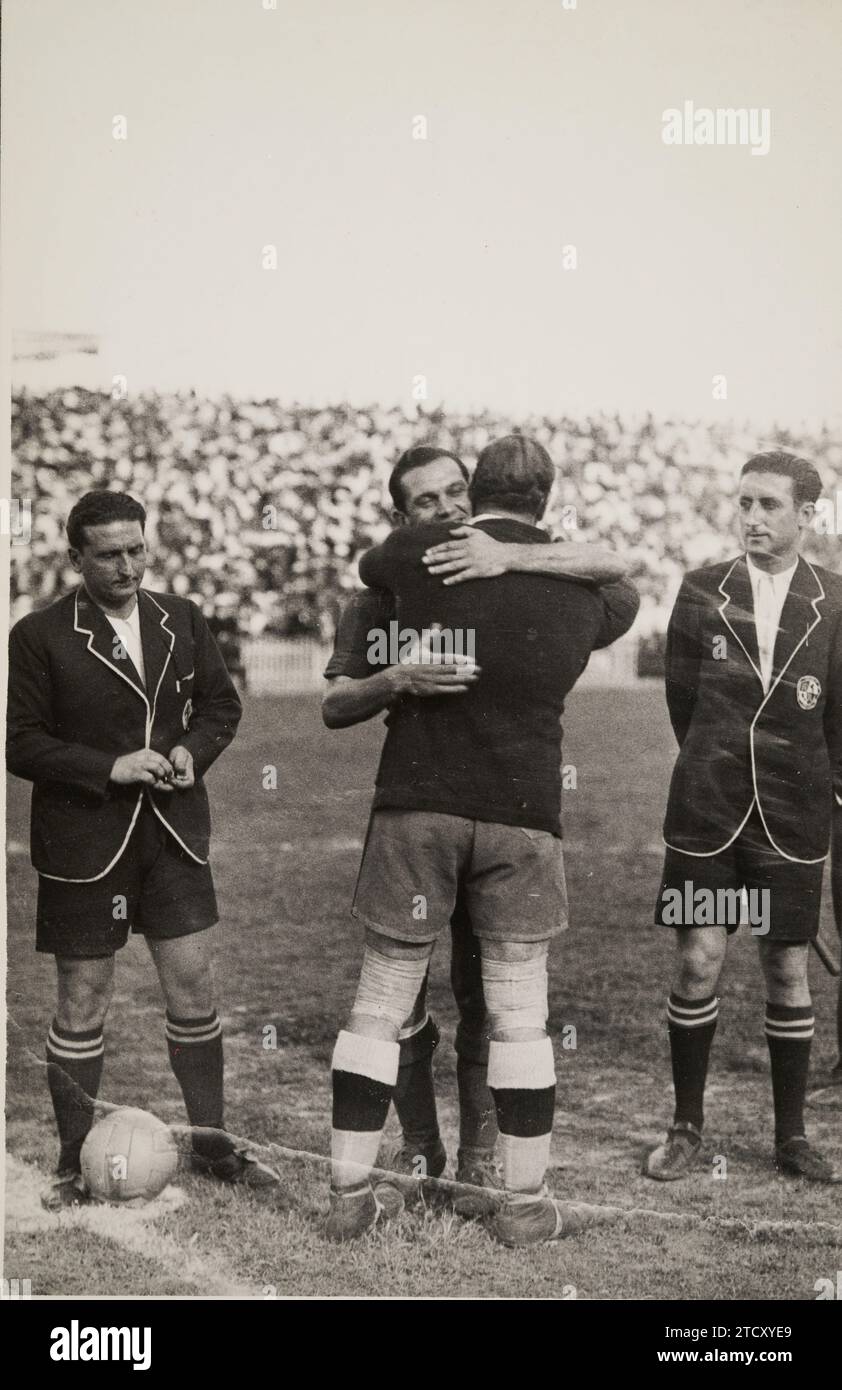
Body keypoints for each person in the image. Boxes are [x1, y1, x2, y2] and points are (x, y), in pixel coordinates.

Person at [324, 435, 639, 1244]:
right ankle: (525, 1205)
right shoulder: (593, 594)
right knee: (520, 1014)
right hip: (524, 812)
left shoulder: (419, 554)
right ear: (549, 497)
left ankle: (350, 1194)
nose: (443, 509)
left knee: (381, 1001)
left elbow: (371, 567)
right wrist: (527, 559)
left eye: (453, 493)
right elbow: (623, 581)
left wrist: (500, 558)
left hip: (419, 802)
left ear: (478, 490)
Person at [6, 490, 279, 1207]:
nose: (127, 566)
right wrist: (109, 767)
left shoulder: (180, 617)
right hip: (85, 841)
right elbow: (21, 741)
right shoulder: (39, 635)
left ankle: (214, 1143)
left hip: (174, 835)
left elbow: (222, 705)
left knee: (194, 990)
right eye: (108, 554)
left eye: (137, 549)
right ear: (75, 558)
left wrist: (192, 751)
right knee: (82, 1001)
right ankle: (72, 1162)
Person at [645, 451, 842, 1184]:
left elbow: (840, 723)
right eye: (745, 504)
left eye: (769, 505)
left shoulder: (835, 598)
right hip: (710, 811)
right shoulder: (701, 591)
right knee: (699, 958)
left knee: (786, 964)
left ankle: (792, 1136)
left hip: (792, 816)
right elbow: (681, 702)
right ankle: (686, 1127)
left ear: (806, 516)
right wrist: (717, 768)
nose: (752, 518)